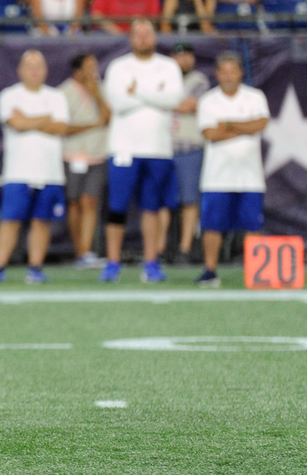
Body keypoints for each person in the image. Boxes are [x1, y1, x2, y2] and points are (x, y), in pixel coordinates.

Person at [100, 19, 184, 283]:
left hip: (158, 150)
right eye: (138, 33)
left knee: (153, 208)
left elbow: (173, 99)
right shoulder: (119, 66)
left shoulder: (168, 66)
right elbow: (118, 102)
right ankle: (113, 263)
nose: (144, 38)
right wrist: (154, 93)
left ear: (155, 36)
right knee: (117, 208)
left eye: (148, 32)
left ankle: (151, 262)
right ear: (130, 38)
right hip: (124, 148)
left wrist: (138, 91)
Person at [0, 51, 68, 285]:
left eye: (38, 66)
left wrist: (29, 120)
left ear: (45, 70)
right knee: (10, 220)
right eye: (29, 66)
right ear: (20, 70)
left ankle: (35, 267)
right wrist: (44, 120)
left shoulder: (56, 96)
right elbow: (16, 123)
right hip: (18, 171)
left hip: (50, 171)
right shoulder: (9, 96)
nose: (34, 71)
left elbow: (61, 127)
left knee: (41, 221)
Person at [194, 51, 268, 287]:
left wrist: (228, 123)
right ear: (217, 74)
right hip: (217, 176)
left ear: (240, 73)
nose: (228, 76)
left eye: (232, 71)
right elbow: (210, 134)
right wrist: (244, 127)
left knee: (252, 225)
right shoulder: (208, 100)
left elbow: (260, 124)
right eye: (223, 71)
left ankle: (256, 272)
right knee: (213, 226)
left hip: (250, 175)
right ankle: (210, 270)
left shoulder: (255, 97)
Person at [60, 52, 110, 268]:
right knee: (74, 203)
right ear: (77, 71)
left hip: (97, 154)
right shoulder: (64, 92)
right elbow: (63, 127)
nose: (93, 71)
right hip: (72, 155)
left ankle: (86, 251)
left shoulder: (103, 89)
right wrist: (93, 124)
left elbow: (109, 117)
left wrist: (96, 94)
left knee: (90, 201)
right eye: (89, 67)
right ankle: (78, 249)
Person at [166, 42, 209, 262]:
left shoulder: (199, 79)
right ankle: (158, 250)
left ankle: (185, 249)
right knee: (161, 202)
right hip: (163, 148)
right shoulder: (162, 77)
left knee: (190, 201)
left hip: (189, 147)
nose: (185, 60)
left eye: (188, 55)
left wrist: (160, 102)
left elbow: (189, 105)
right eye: (180, 55)